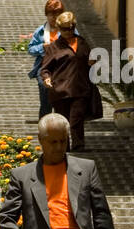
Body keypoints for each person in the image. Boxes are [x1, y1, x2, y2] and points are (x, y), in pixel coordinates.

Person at [40, 11, 103, 151]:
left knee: (76, 120)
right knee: (63, 122)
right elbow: (45, 68)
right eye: (64, 29)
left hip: (80, 88)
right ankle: (64, 148)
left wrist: (92, 62)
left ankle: (79, 146)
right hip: (60, 91)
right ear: (58, 28)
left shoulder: (82, 43)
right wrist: (47, 78)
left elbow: (88, 60)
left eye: (71, 28)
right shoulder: (54, 47)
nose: (68, 31)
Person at [26, 0, 69, 124]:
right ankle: (44, 123)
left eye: (57, 14)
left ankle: (62, 123)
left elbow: (77, 45)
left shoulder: (68, 29)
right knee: (44, 90)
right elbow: (30, 49)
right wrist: (41, 47)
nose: (54, 18)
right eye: (51, 14)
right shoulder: (40, 32)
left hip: (63, 68)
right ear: (47, 15)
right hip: (44, 66)